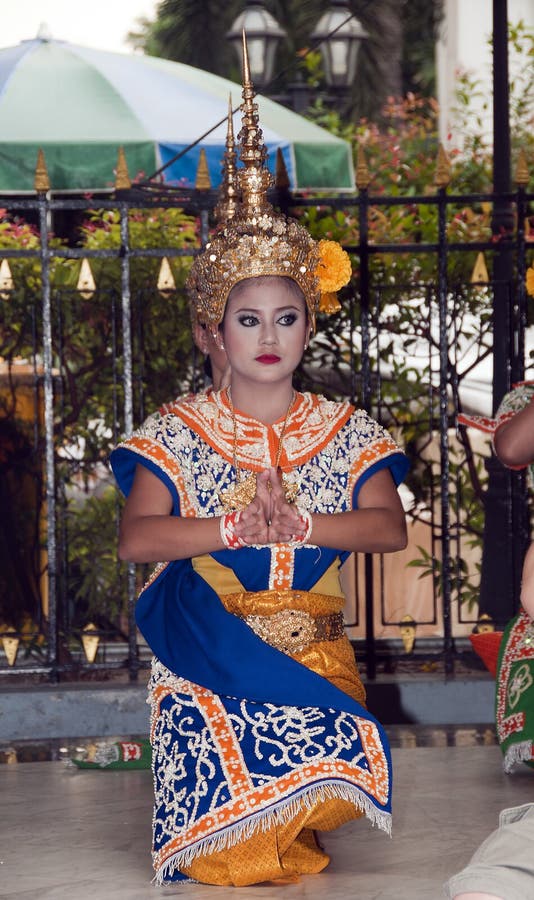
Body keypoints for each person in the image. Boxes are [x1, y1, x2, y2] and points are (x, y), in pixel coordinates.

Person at [110, 37, 409, 887]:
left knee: (307, 797)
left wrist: (306, 521)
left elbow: (387, 526)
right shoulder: (176, 430)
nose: (269, 337)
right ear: (214, 331)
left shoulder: (344, 427)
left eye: (286, 317)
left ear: (307, 326)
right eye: (249, 320)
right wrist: (234, 525)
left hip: (313, 649)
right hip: (207, 655)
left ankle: (297, 791)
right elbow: (138, 541)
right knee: (233, 861)